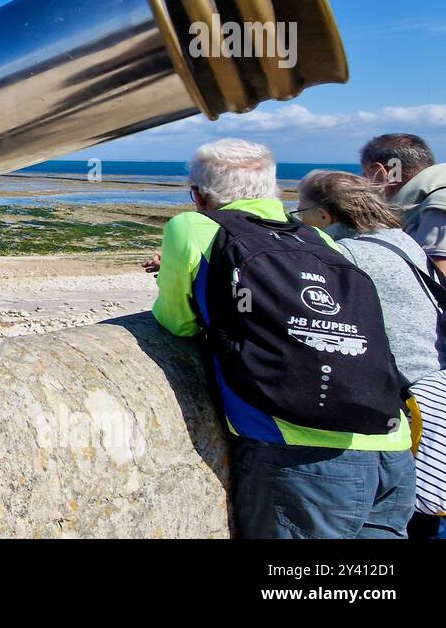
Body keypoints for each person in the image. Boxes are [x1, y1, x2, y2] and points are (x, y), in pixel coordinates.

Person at [147, 139, 414, 539]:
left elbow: (178, 322)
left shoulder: (193, 226)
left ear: (198, 195)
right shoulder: (317, 239)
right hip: (390, 445)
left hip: (301, 449)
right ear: (273, 190)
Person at [294, 170, 442, 383]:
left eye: (301, 211)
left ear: (324, 216)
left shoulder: (343, 254)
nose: (300, 219)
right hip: (432, 376)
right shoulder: (402, 239)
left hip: (397, 386)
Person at [360, 134, 446, 276]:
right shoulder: (427, 199)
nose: (363, 182)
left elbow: (439, 279)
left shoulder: (438, 203)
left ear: (384, 172)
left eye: (365, 174)